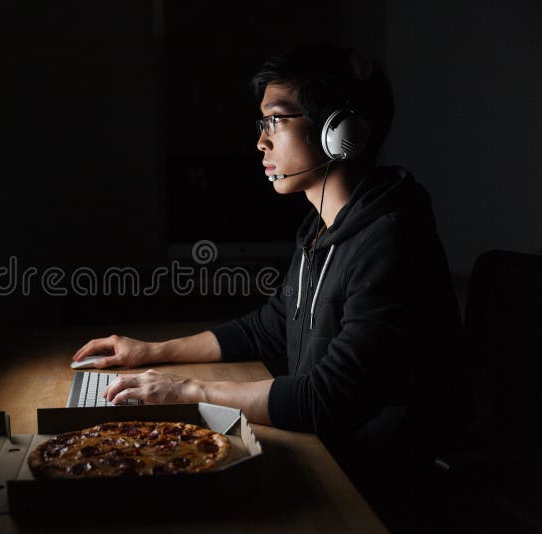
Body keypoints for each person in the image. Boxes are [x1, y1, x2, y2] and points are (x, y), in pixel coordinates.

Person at [72, 42, 463, 526]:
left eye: (276, 121)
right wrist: (150, 353)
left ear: (337, 133)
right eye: (263, 124)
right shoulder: (320, 230)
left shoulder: (392, 241)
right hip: (328, 453)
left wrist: (185, 391)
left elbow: (326, 400)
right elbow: (269, 327)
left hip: (376, 488)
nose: (261, 141)